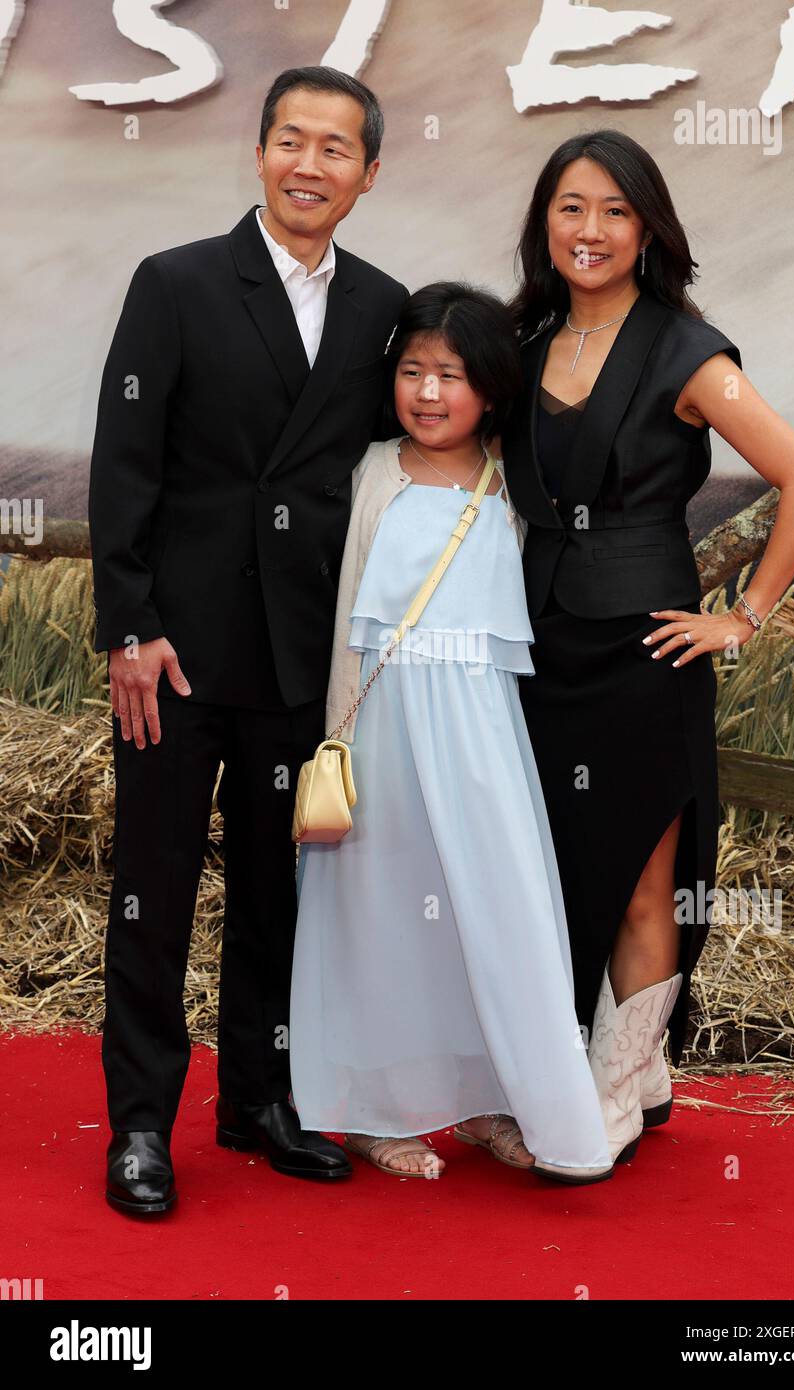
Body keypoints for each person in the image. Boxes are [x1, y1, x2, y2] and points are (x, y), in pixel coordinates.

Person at [89, 66, 408, 1215]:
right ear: (260, 153)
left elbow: (394, 460)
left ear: (369, 173)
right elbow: (123, 464)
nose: (308, 164)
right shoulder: (174, 285)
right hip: (174, 656)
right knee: (155, 889)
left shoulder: (383, 308)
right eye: (290, 140)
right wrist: (128, 624)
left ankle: (258, 1100)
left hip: (297, 655)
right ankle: (139, 1123)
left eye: (335, 148)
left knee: (280, 891)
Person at [501, 130, 794, 1164]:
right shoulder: (520, 341)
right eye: (570, 206)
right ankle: (620, 1067)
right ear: (542, 221)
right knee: (557, 868)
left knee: (646, 875)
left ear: (646, 228)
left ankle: (610, 1093)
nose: (589, 229)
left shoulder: (686, 349)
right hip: (535, 640)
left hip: (646, 650)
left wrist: (741, 618)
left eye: (612, 210)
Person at [289, 283, 615, 1185]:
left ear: (493, 389)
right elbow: (348, 620)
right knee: (383, 915)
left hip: (484, 737)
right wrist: (338, 751)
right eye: (412, 372)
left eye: (453, 376)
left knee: (495, 907)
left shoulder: (516, 483)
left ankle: (492, 1101)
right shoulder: (371, 476)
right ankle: (375, 1112)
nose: (428, 394)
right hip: (383, 731)